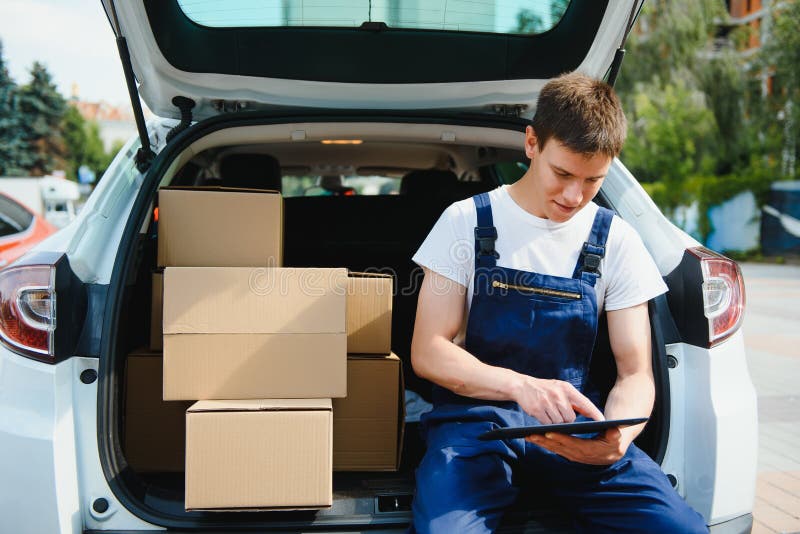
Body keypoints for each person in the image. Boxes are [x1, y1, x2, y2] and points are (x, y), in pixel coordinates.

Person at [408, 72, 708, 533]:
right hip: (474, 430)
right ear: (532, 143)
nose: (574, 196)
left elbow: (636, 374)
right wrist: (520, 386)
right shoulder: (465, 222)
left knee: (681, 528)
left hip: (572, 431)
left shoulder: (618, 240)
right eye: (563, 173)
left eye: (593, 180)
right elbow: (428, 350)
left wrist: (618, 438)